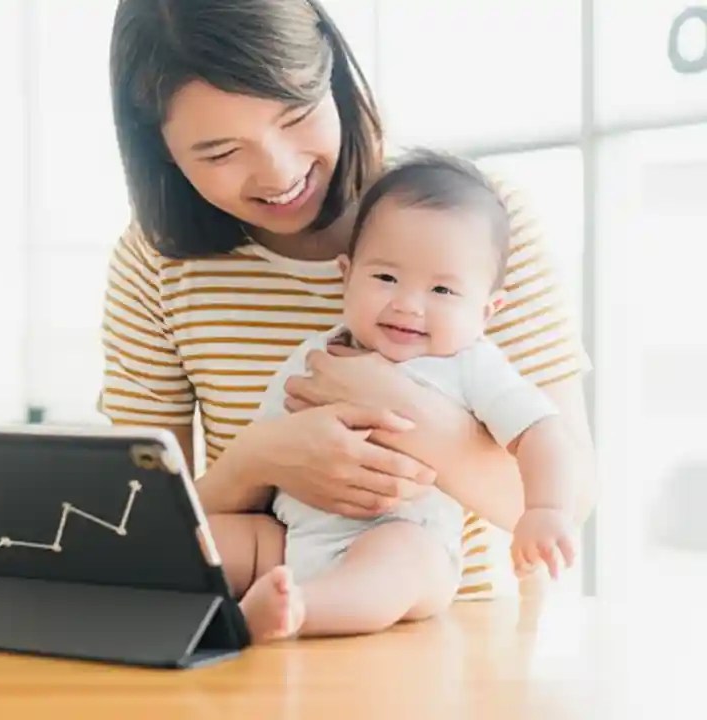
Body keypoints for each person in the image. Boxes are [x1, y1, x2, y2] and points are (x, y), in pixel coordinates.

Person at [101, 0, 596, 606]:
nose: (278, 173)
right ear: (160, 150)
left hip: (451, 632)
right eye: (221, 152)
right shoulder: (155, 262)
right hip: (260, 619)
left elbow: (568, 498)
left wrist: (400, 406)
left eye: (296, 115)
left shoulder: (475, 226)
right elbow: (139, 530)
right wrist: (256, 461)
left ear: (332, 77)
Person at [224, 151, 580, 640]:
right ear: (346, 276)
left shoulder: (470, 364)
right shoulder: (317, 357)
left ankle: (297, 609)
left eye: (442, 291)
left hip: (406, 539)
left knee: (397, 563)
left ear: (486, 311)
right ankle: (171, 602)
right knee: (212, 541)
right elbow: (267, 446)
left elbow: (542, 431)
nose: (408, 305)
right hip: (291, 539)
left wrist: (546, 511)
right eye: (386, 278)